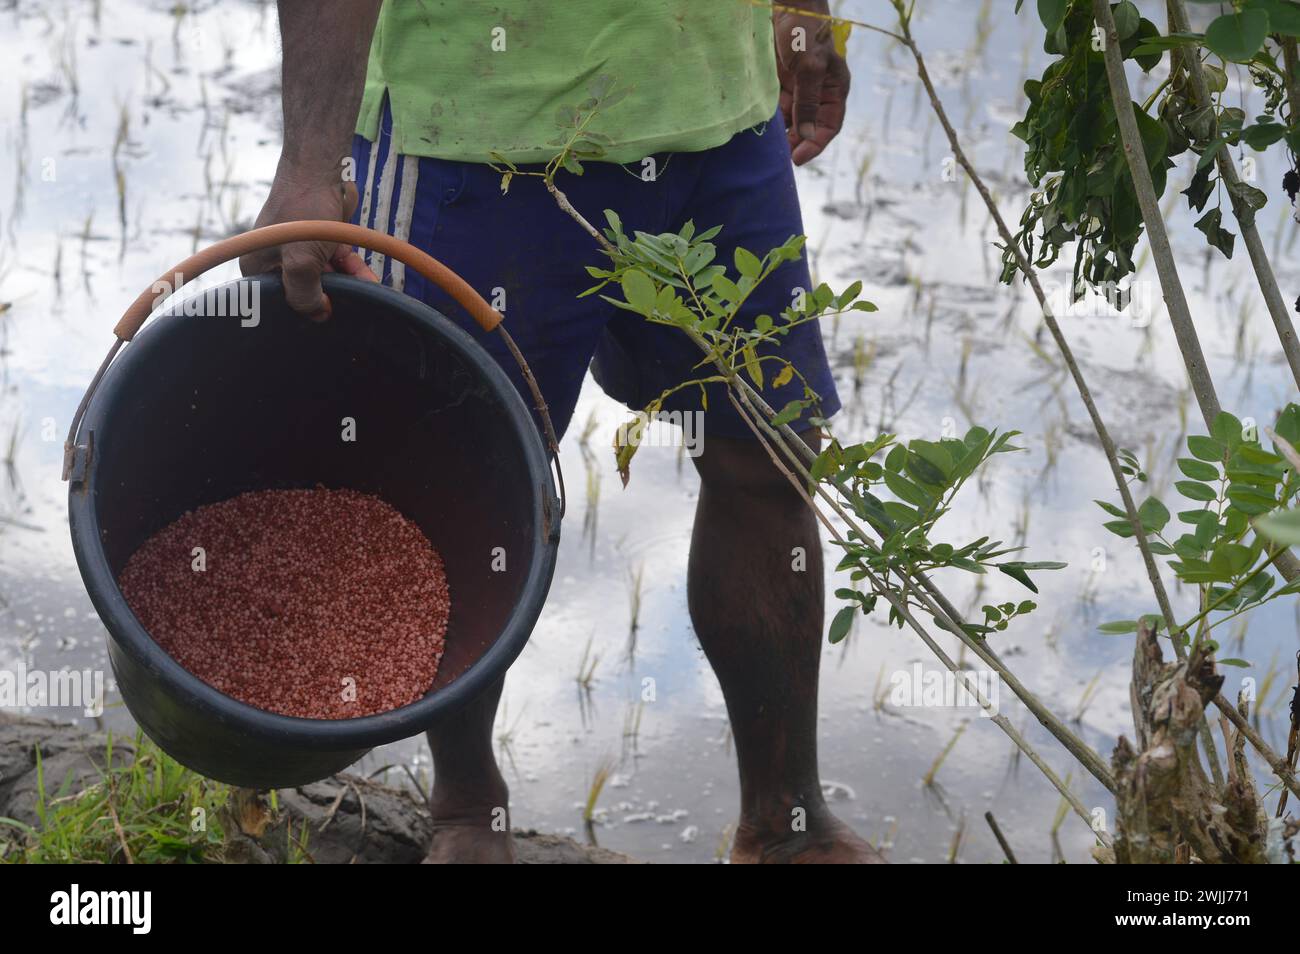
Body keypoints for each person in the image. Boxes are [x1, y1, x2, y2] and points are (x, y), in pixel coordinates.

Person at [241, 0, 882, 864]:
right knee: (460, 484)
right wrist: (311, 160)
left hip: (717, 110)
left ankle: (783, 823)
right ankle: (467, 803)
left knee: (765, 459)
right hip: (478, 129)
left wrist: (804, 11)